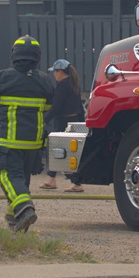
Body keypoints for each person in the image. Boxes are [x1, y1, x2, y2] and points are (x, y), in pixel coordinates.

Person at [0, 35, 53, 232]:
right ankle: (16, 220)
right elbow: (48, 106)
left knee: (8, 177)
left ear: (14, 55)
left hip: (10, 142)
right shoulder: (45, 81)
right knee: (22, 181)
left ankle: (24, 208)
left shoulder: (4, 77)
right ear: (37, 57)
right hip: (33, 145)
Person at [40, 59, 86, 192]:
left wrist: (45, 119)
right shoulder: (73, 84)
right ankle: (52, 179)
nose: (54, 75)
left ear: (60, 72)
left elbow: (56, 105)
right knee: (67, 151)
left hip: (62, 123)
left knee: (58, 150)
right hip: (73, 122)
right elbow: (80, 107)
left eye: (55, 72)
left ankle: (75, 183)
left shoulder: (62, 86)